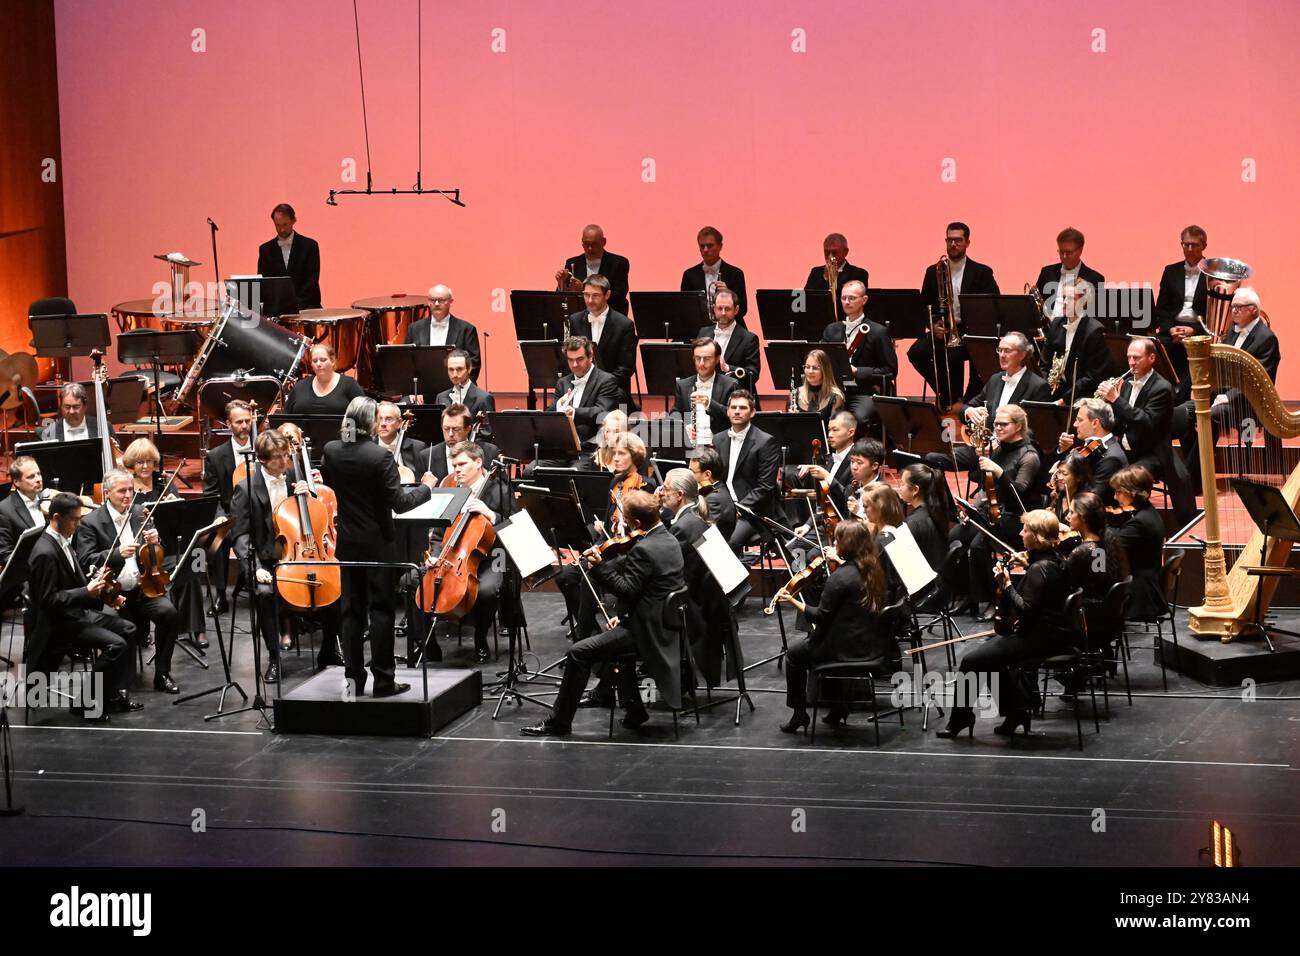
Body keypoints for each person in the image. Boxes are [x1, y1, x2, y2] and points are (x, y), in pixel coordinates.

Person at [522, 490, 685, 737]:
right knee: (615, 651)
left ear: (638, 523)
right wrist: (626, 615)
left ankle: (559, 722)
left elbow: (627, 590)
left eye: (627, 519)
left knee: (578, 653)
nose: (626, 524)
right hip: (661, 622)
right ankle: (634, 710)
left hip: (646, 632)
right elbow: (650, 591)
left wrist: (599, 567)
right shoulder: (668, 539)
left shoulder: (645, 550)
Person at [323, 398, 438, 696]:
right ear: (371, 422)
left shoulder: (331, 451)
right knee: (381, 612)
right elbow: (400, 503)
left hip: (348, 545)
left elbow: (331, 481)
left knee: (351, 613)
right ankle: (384, 681)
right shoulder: (379, 457)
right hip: (378, 546)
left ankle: (353, 681)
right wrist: (427, 487)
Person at [937, 509, 1070, 740]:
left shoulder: (1040, 569)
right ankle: (1016, 712)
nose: (1021, 532)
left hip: (1041, 638)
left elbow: (1027, 610)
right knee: (988, 655)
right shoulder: (1052, 560)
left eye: (1026, 529)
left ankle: (961, 718)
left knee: (972, 661)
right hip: (1051, 633)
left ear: (1036, 536)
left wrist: (1006, 585)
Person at [774, 520, 897, 733]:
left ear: (845, 545)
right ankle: (838, 708)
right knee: (823, 643)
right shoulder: (873, 568)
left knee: (794, 655)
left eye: (837, 540)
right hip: (872, 644)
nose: (834, 543)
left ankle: (799, 713)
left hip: (848, 650)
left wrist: (793, 600)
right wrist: (840, 562)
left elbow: (821, 616)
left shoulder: (839, 579)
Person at [25, 493, 140, 718]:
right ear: (56, 517)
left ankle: (113, 694)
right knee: (115, 645)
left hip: (77, 614)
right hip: (59, 623)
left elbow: (76, 583)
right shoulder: (45, 553)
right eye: (74, 520)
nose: (78, 525)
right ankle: (85, 703)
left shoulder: (63, 541)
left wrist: (107, 595)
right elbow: (48, 600)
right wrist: (86, 591)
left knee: (129, 629)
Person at [74, 469, 182, 694]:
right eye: (122, 490)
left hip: (142, 588)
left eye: (131, 490)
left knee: (169, 613)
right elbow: (85, 560)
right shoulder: (90, 523)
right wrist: (116, 553)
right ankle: (121, 682)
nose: (127, 495)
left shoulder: (139, 513)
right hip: (112, 595)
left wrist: (155, 540)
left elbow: (154, 554)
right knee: (124, 630)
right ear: (107, 493)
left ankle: (162, 673)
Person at [415, 441, 514, 664]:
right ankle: (428, 645)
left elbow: (514, 529)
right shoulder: (451, 494)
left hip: (492, 558)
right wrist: (435, 556)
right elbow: (439, 534)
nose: (456, 470)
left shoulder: (500, 490)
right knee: (412, 580)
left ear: (478, 463)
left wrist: (490, 514)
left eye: (462, 464)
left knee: (487, 590)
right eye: (454, 465)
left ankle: (480, 638)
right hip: (450, 559)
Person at [1097, 337, 1197, 527]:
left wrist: (1116, 400)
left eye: (1137, 358)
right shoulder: (1126, 383)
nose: (1132, 363)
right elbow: (1123, 420)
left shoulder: (1162, 388)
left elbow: (1146, 422)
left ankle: (1131, 524)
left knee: (1125, 477)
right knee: (1101, 466)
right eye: (1129, 358)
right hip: (1129, 448)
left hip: (1153, 453)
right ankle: (1107, 522)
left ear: (1151, 358)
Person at [954, 404, 1042, 618]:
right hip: (994, 512)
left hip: (1018, 518)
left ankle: (993, 598)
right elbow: (987, 488)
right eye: (996, 425)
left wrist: (1000, 472)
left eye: (1004, 424)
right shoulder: (1000, 449)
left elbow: (1019, 494)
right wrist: (972, 508)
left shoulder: (1029, 456)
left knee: (978, 545)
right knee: (957, 536)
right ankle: (968, 595)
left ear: (1018, 426)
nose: (998, 428)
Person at [908, 222, 999, 407]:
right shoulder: (933, 271)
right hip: (945, 329)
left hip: (971, 330)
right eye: (950, 240)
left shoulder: (981, 272)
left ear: (967, 242)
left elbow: (993, 303)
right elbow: (924, 305)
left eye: (958, 240)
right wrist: (933, 325)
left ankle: (968, 402)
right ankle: (947, 394)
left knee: (977, 358)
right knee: (916, 352)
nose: (953, 244)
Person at [658, 468, 733, 687]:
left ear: (679, 495)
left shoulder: (683, 527)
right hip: (705, 601)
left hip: (690, 606)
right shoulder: (696, 518)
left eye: (666, 488)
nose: (661, 492)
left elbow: (670, 572)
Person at [201, 399, 255, 611]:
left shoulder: (261, 450)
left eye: (247, 421)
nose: (244, 426)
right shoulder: (215, 456)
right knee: (216, 540)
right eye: (239, 422)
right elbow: (211, 494)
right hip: (229, 518)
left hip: (255, 516)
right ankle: (221, 595)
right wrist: (219, 517)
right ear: (228, 424)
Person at [820, 281, 895, 429]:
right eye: (843, 298)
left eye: (852, 298)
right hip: (835, 390)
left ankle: (856, 452)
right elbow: (820, 359)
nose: (847, 302)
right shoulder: (831, 330)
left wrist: (858, 372)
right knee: (816, 415)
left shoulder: (878, 332)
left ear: (864, 300)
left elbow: (890, 370)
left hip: (863, 392)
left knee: (857, 420)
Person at [712, 390, 780, 552]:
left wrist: (739, 509)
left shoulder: (765, 442)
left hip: (752, 512)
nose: (737, 411)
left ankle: (735, 577)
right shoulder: (718, 439)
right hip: (723, 506)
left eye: (742, 408)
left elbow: (765, 486)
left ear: (752, 412)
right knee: (700, 537)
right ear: (727, 411)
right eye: (733, 407)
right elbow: (717, 478)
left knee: (728, 544)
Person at [1154, 225, 1210, 402]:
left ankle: (1181, 407)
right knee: (1153, 353)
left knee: (1189, 369)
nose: (1190, 249)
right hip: (1171, 334)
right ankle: (1160, 402)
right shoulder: (1170, 271)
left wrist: (1193, 331)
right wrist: (1171, 330)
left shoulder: (1213, 274)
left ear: (1204, 246)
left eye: (1194, 245)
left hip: (1197, 334)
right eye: (1186, 245)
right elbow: (1161, 309)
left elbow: (1213, 314)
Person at [566, 275, 638, 407]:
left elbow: (626, 368)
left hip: (612, 388)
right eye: (586, 295)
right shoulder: (574, 320)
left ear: (607, 295)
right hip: (580, 385)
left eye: (596, 295)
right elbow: (570, 357)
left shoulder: (624, 325)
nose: (590, 300)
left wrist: (598, 385)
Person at [1038, 281, 1110, 404]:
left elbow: (1092, 377)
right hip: (1056, 390)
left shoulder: (1094, 331)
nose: (1065, 302)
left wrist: (1064, 400)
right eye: (1064, 297)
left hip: (1081, 394)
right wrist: (1045, 388)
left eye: (1071, 299)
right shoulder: (1056, 324)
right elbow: (1045, 364)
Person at [1111, 466, 1166, 623]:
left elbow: (1109, 552)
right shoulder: (1148, 512)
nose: (1115, 497)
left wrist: (1093, 538)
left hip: (1139, 596)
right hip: (1148, 585)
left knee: (1095, 576)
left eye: (1118, 492)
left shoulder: (1139, 522)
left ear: (1133, 492)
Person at [550, 336, 623, 446]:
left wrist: (574, 412)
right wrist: (558, 406)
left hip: (591, 447)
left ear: (590, 357)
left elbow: (602, 412)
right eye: (570, 360)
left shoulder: (607, 381)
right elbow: (550, 415)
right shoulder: (562, 382)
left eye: (579, 359)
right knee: (535, 464)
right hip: (562, 446)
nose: (574, 365)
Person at [1057, 398, 1127, 504]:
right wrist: (1063, 450)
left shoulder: (1111, 458)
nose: (1075, 424)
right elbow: (1072, 470)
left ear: (1095, 423)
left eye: (1079, 420)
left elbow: (1092, 500)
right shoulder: (1092, 446)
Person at [405, 285, 483, 381]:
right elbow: (406, 361)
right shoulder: (414, 328)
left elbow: (474, 364)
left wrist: (461, 389)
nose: (437, 304)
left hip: (456, 387)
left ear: (451, 302)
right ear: (428, 302)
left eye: (441, 300)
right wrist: (413, 390)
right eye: (433, 300)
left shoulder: (466, 329)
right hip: (423, 389)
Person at [674, 338, 739, 447]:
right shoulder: (683, 385)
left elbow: (735, 416)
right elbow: (674, 415)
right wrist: (685, 427)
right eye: (698, 358)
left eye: (707, 359)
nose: (701, 364)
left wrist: (710, 404)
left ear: (717, 359)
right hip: (692, 446)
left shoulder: (730, 384)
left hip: (719, 447)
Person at [256, 203, 321, 310]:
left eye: (285, 224)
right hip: (277, 308)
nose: (281, 229)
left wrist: (296, 304)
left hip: (306, 306)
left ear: (293, 220)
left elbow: (312, 280)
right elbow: (264, 281)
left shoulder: (310, 246)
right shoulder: (265, 250)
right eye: (278, 225)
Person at [557, 224, 631, 316]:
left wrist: (583, 289)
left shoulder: (619, 263)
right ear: (582, 242)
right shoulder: (573, 263)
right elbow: (563, 299)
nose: (590, 248)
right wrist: (561, 283)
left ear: (604, 242)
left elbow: (619, 295)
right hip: (580, 318)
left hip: (610, 318)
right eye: (587, 244)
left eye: (594, 244)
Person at [1033, 227, 1105, 319]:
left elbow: (1094, 315)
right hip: (1048, 331)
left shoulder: (1095, 279)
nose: (1064, 256)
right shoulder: (1047, 273)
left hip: (1077, 331)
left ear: (1080, 250)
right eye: (1061, 252)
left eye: (1069, 252)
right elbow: (1036, 308)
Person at [682, 225, 748, 324]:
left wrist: (729, 294)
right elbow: (684, 309)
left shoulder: (735, 274)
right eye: (702, 246)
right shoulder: (689, 275)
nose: (705, 250)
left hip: (730, 327)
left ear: (720, 246)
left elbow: (743, 309)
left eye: (710, 245)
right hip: (699, 330)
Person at [422, 403, 499, 482]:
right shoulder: (427, 456)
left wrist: (484, 477)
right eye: (446, 428)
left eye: (456, 429)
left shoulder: (490, 451)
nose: (450, 434)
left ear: (468, 429)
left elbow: (503, 488)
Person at [697, 288, 759, 385]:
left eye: (727, 309)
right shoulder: (703, 332)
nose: (723, 313)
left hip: (735, 395)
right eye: (719, 308)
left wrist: (728, 368)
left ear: (736, 310)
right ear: (713, 308)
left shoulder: (749, 339)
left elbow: (753, 375)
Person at [283, 343, 365, 416]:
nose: (318, 364)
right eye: (315, 361)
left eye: (323, 360)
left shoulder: (350, 385)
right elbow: (286, 416)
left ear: (332, 361)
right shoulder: (300, 386)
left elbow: (365, 414)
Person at [803, 232, 869, 322]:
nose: (830, 256)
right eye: (826, 252)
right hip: (818, 323)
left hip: (846, 322)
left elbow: (855, 304)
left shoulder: (858, 273)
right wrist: (825, 278)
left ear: (845, 252)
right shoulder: (816, 272)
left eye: (834, 252)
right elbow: (808, 299)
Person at [898, 462, 951, 572]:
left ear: (915, 490)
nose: (900, 488)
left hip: (923, 581)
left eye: (902, 484)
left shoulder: (913, 523)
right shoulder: (936, 510)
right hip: (936, 578)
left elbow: (901, 563)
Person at [0, 456, 47, 567]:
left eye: (39, 474)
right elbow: (5, 555)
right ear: (17, 482)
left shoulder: (47, 501)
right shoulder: (4, 510)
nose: (38, 479)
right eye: (31, 477)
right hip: (29, 577)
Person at [40, 381, 117, 445]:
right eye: (67, 407)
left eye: (76, 407)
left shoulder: (105, 428)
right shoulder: (47, 433)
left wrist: (114, 450)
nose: (71, 411)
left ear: (85, 406)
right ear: (61, 407)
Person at [689, 448, 736, 543]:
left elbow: (703, 534)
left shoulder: (713, 499)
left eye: (692, 472)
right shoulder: (718, 488)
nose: (688, 475)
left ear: (707, 475)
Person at [434, 348, 495, 417]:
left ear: (469, 369)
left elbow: (488, 427)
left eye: (459, 369)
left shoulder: (484, 399)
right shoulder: (440, 397)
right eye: (451, 369)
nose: (454, 375)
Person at [375, 401, 429, 477]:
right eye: (379, 419)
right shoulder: (366, 450)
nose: (383, 424)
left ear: (399, 423)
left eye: (389, 419)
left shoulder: (418, 448)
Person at [122, 438, 164, 503]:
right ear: (132, 463)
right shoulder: (125, 484)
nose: (145, 466)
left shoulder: (163, 481)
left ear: (154, 462)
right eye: (140, 462)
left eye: (149, 461)